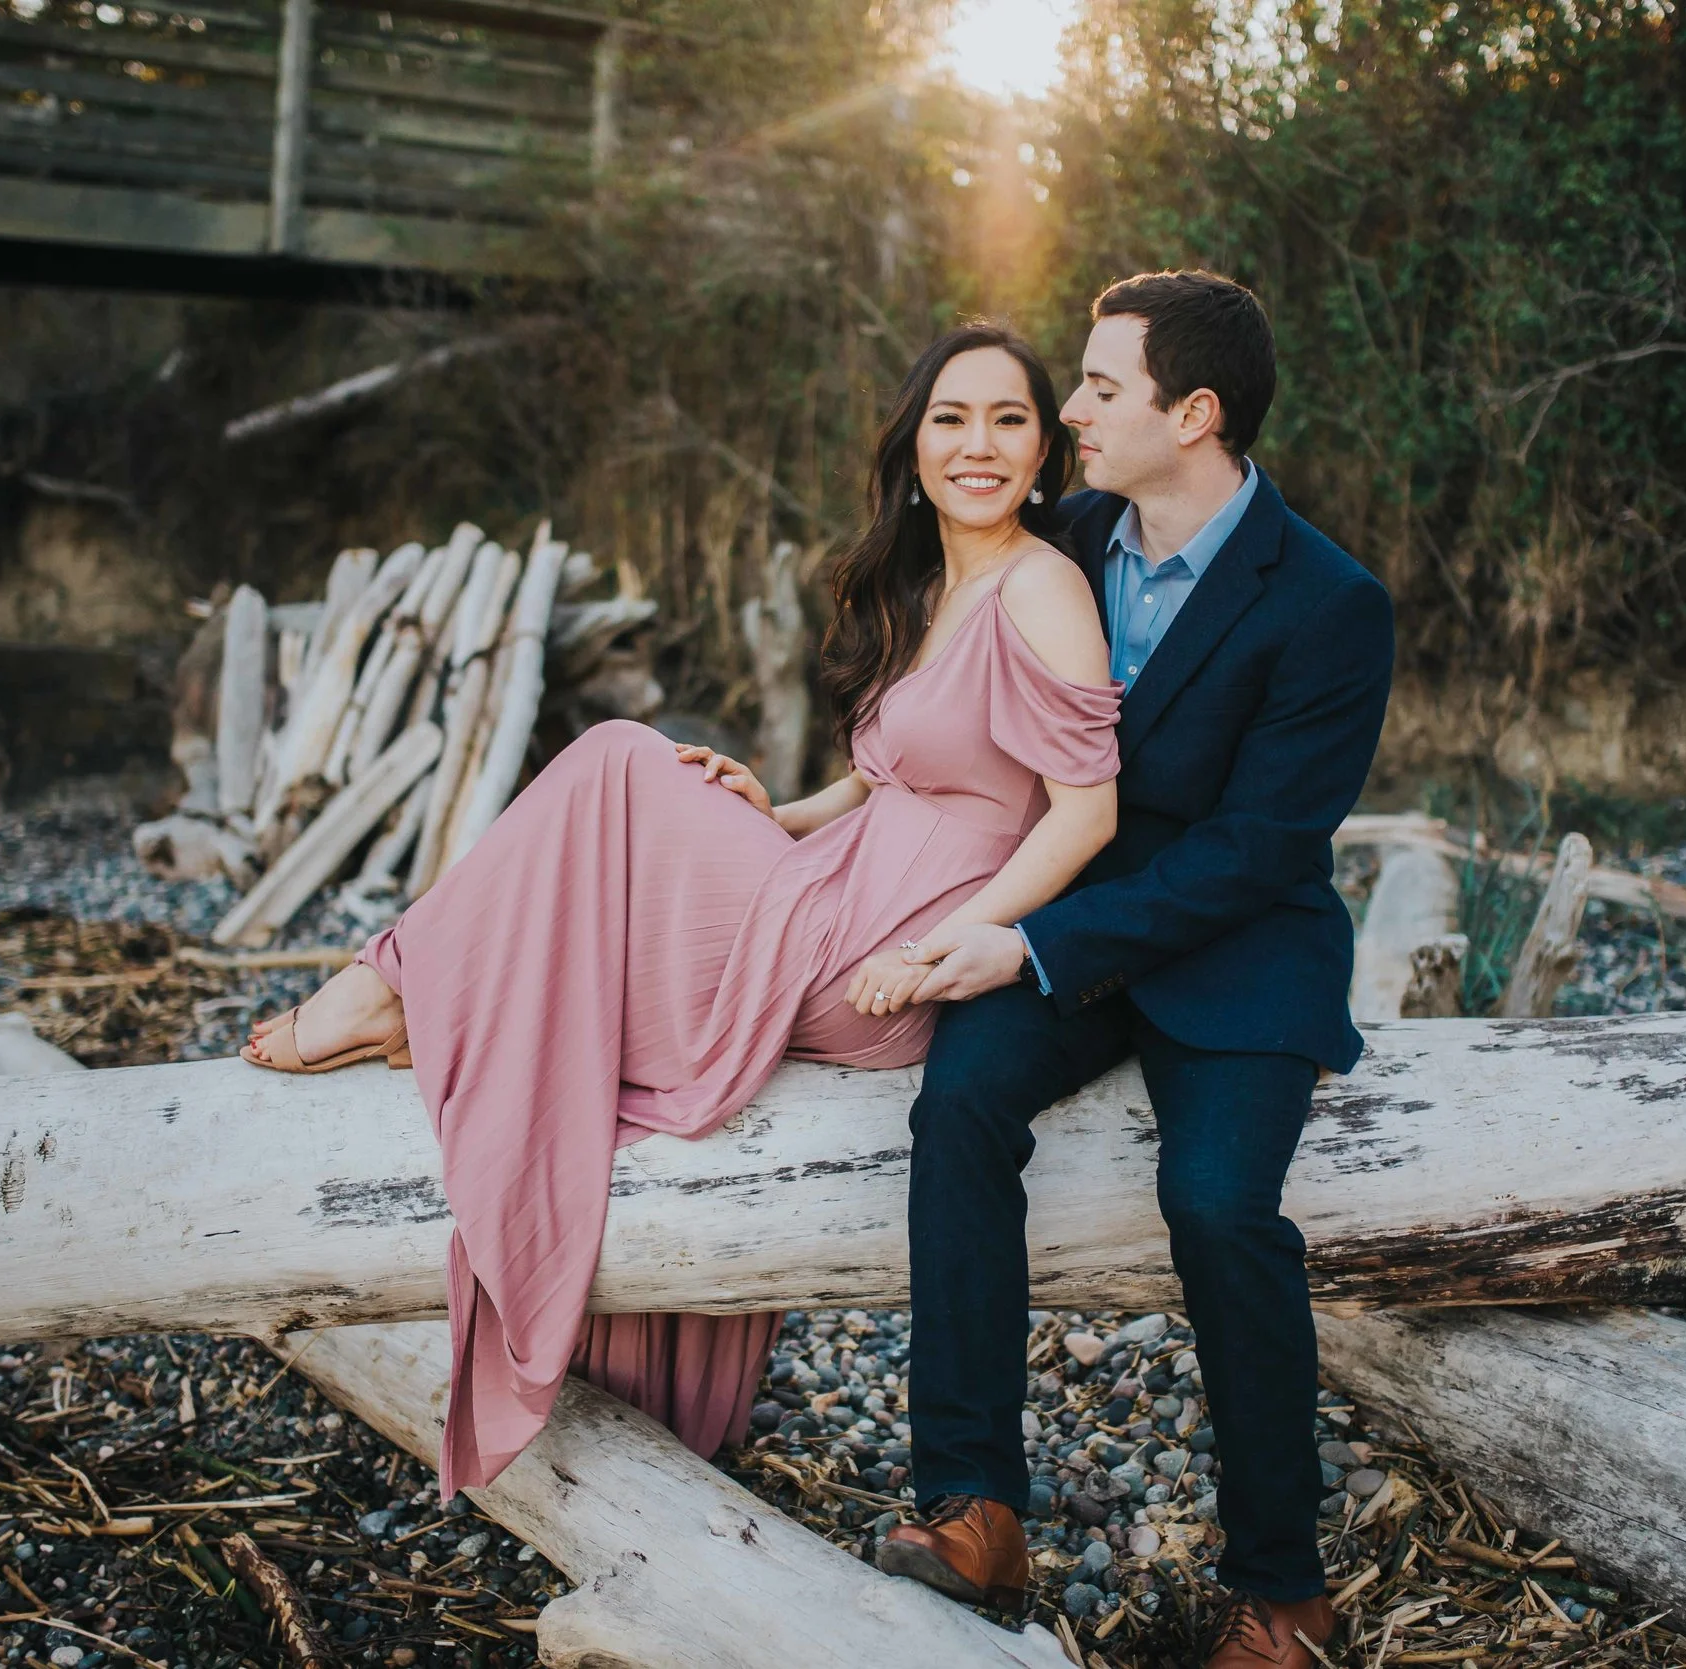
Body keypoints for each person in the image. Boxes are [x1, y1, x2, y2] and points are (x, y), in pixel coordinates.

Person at [238, 324, 1126, 1501]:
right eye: (950, 418)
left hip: (885, 950)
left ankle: (398, 984)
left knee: (612, 760)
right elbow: (887, 775)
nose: (978, 445)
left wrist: (962, 944)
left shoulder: (1043, 584)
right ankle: (425, 990)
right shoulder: (933, 582)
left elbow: (1084, 814)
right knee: (631, 790)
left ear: (1041, 448)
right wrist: (785, 809)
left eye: (1008, 419)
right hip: (841, 881)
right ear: (913, 444)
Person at [875, 271, 1394, 1669]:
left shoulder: (1334, 605)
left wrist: (1031, 939)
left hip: (1238, 949)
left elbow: (1254, 852)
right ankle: (977, 1502)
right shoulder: (1072, 532)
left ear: (1198, 412)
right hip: (1076, 930)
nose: (1071, 410)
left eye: (1102, 390)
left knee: (1218, 1205)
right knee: (958, 1109)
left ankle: (1282, 1592)